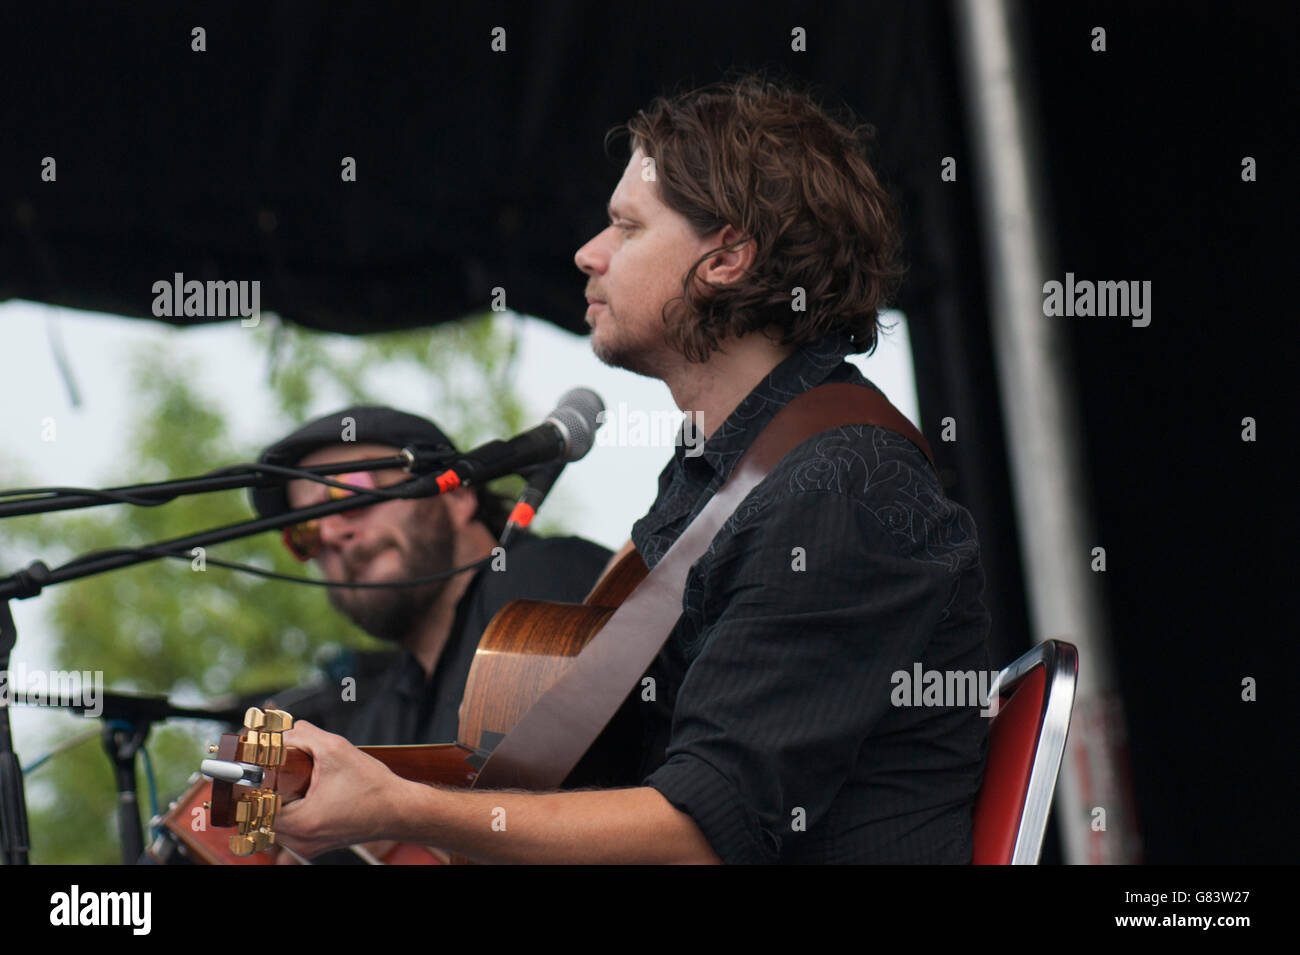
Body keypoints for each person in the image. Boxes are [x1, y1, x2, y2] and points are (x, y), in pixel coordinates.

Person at [274, 75, 992, 864]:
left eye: (626, 225)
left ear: (726, 257)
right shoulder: (708, 481)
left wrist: (405, 805)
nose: (589, 252)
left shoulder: (841, 486)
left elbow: (703, 830)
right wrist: (358, 790)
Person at [251, 406, 612, 745]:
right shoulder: (380, 718)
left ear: (456, 496)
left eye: (347, 493)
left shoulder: (543, 575)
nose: (329, 535)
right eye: (304, 532)